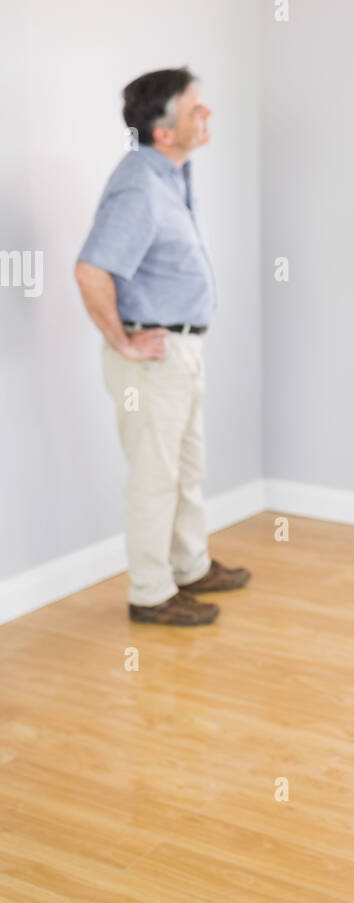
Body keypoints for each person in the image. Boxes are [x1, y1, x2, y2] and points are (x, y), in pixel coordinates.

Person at [74, 67, 251, 625]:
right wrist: (123, 343)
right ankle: (151, 594)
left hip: (182, 351)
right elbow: (90, 270)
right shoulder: (140, 184)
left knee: (187, 468)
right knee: (155, 478)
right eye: (195, 110)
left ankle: (190, 565)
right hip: (151, 359)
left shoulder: (173, 174)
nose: (208, 115)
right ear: (162, 132)